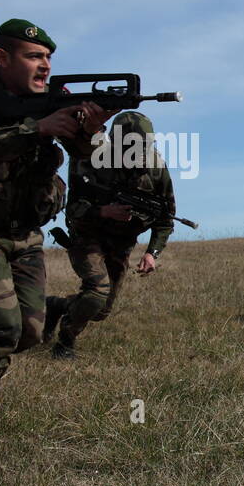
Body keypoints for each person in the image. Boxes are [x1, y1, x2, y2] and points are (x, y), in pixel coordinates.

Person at [0, 19, 110, 412]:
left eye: (48, 57)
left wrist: (88, 133)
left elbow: (90, 156)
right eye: (34, 56)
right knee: (3, 327)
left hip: (25, 232)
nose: (45, 65)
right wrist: (39, 128)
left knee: (30, 333)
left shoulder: (53, 97)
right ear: (3, 57)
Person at [42, 111, 176, 359]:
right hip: (87, 236)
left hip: (121, 244)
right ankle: (65, 343)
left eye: (145, 146)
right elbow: (72, 209)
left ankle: (57, 306)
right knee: (96, 291)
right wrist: (104, 211)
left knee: (101, 310)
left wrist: (151, 253)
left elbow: (166, 219)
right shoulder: (89, 159)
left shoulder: (156, 170)